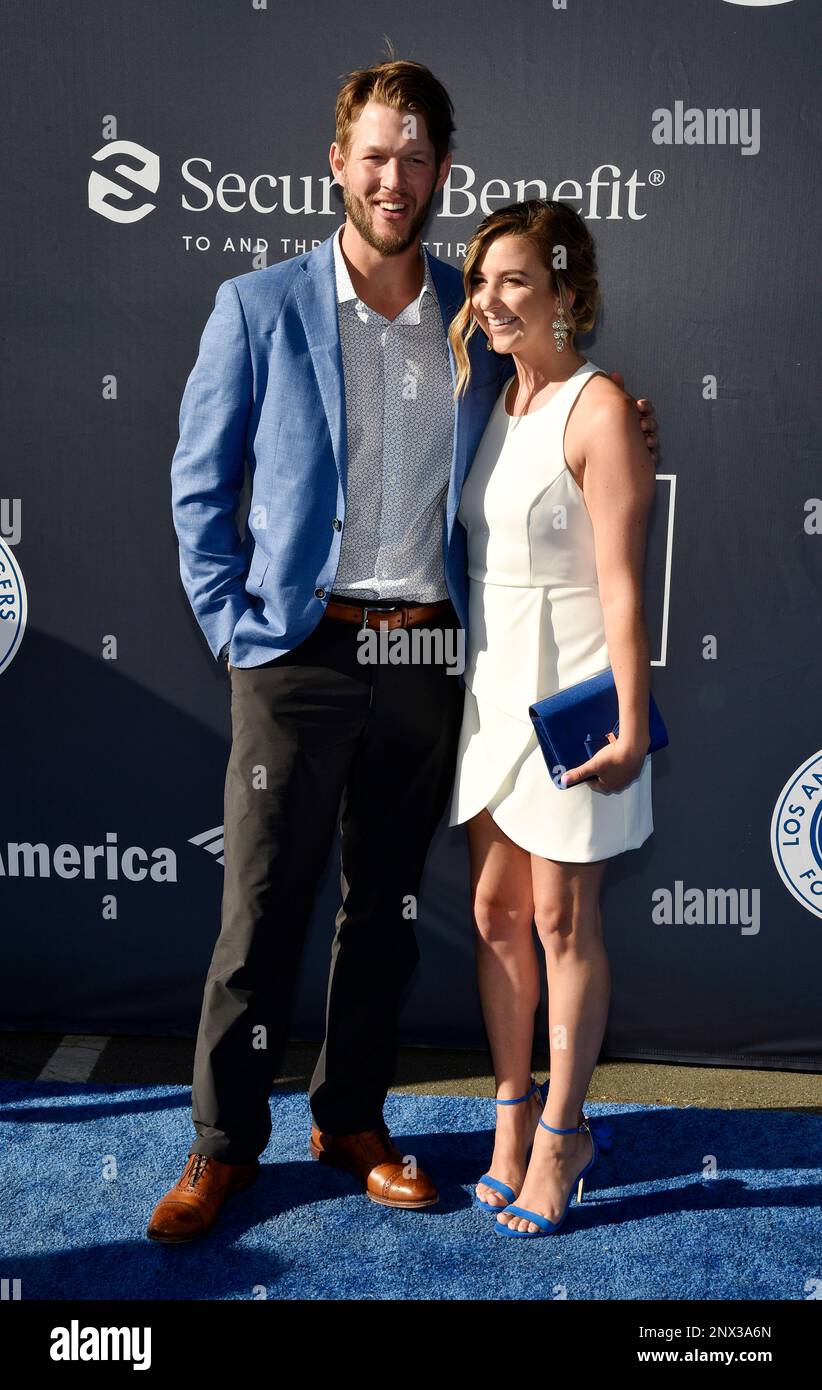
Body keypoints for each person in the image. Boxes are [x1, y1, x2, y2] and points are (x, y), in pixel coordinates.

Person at [148, 60, 659, 1243]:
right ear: (337, 162)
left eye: (416, 157)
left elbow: (556, 415)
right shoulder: (259, 305)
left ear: (441, 171)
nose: (394, 177)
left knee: (380, 907)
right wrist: (239, 631)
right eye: (375, 155)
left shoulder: (469, 312)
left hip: (430, 658)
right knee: (262, 908)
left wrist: (624, 421)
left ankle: (354, 1121)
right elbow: (197, 488)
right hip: (298, 653)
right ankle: (224, 1146)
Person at [447, 197, 656, 1237]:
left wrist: (628, 716)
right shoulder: (492, 397)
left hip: (574, 700)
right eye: (481, 281)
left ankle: (566, 1133)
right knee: (495, 915)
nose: (490, 301)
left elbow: (623, 584)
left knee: (567, 921)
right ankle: (512, 1115)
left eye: (516, 280)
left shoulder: (600, 407)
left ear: (568, 291)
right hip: (492, 695)